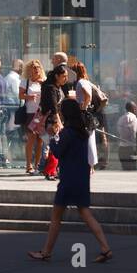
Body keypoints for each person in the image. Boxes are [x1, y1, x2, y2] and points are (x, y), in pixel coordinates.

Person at [28, 98, 113, 263]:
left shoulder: (68, 132)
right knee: (86, 212)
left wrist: (50, 137)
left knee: (56, 217)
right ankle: (105, 248)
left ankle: (46, 252)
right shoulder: (83, 132)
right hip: (82, 177)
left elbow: (58, 152)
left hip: (68, 179)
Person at [20, 60, 45, 174]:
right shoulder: (25, 81)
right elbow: (20, 95)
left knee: (40, 140)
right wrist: (29, 97)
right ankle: (28, 164)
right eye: (33, 67)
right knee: (31, 138)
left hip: (41, 114)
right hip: (30, 113)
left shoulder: (44, 81)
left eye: (38, 67)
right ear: (29, 69)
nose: (36, 69)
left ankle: (37, 165)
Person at [0, 59, 22, 165]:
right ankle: (10, 155)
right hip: (13, 108)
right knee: (12, 133)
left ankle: (9, 155)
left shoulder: (9, 77)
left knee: (10, 133)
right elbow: (18, 94)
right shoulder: (14, 78)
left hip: (10, 107)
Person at [117, 100, 137, 170]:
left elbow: (119, 132)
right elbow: (135, 137)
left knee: (126, 172)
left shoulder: (120, 118)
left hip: (122, 149)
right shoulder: (134, 119)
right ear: (134, 109)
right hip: (131, 149)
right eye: (136, 108)